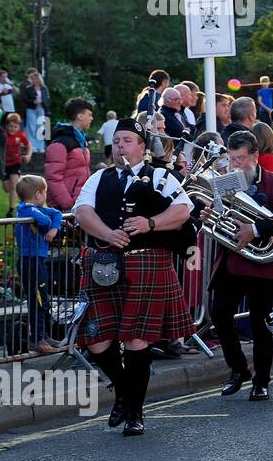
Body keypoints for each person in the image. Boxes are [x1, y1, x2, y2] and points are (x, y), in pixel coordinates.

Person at [72, 119, 196, 436]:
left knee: (136, 341)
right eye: (117, 140)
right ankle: (125, 391)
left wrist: (149, 224)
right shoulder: (100, 178)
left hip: (147, 265)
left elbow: (183, 210)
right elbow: (82, 213)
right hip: (105, 265)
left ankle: (135, 412)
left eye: (127, 140)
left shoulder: (160, 176)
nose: (120, 146)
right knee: (97, 340)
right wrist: (108, 234)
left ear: (142, 146)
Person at [207, 131, 273, 400]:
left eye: (241, 158)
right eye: (232, 159)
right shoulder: (226, 182)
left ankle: (261, 381)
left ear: (255, 156)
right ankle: (238, 369)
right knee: (219, 313)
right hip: (233, 259)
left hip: (263, 261)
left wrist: (253, 229)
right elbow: (219, 217)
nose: (237, 165)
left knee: (260, 322)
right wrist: (210, 214)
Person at [14, 174, 62, 353]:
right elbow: (46, 219)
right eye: (45, 193)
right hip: (29, 261)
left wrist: (55, 228)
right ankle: (37, 339)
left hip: (39, 261)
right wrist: (49, 222)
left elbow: (56, 214)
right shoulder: (25, 209)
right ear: (37, 194)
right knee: (37, 300)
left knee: (44, 298)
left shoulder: (37, 208)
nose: (46, 197)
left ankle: (44, 334)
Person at [44, 98, 93, 211]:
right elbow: (53, 177)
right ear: (80, 116)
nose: (92, 118)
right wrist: (68, 204)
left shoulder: (81, 140)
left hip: (79, 204)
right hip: (64, 208)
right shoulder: (60, 143)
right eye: (89, 115)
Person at [3, 113, 32, 214]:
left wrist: (28, 155)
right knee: (7, 188)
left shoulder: (20, 135)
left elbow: (29, 145)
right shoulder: (3, 135)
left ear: (18, 127)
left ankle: (11, 210)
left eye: (15, 127)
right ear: (6, 126)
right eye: (10, 126)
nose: (12, 129)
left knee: (14, 186)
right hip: (4, 165)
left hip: (15, 163)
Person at [20, 69, 49, 153]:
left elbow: (47, 99)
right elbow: (25, 100)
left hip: (41, 109)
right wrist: (33, 102)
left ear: (38, 79)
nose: (33, 80)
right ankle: (32, 146)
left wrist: (42, 101)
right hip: (31, 109)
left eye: (35, 78)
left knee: (40, 128)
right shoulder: (28, 89)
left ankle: (40, 147)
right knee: (31, 128)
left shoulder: (44, 88)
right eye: (32, 79)